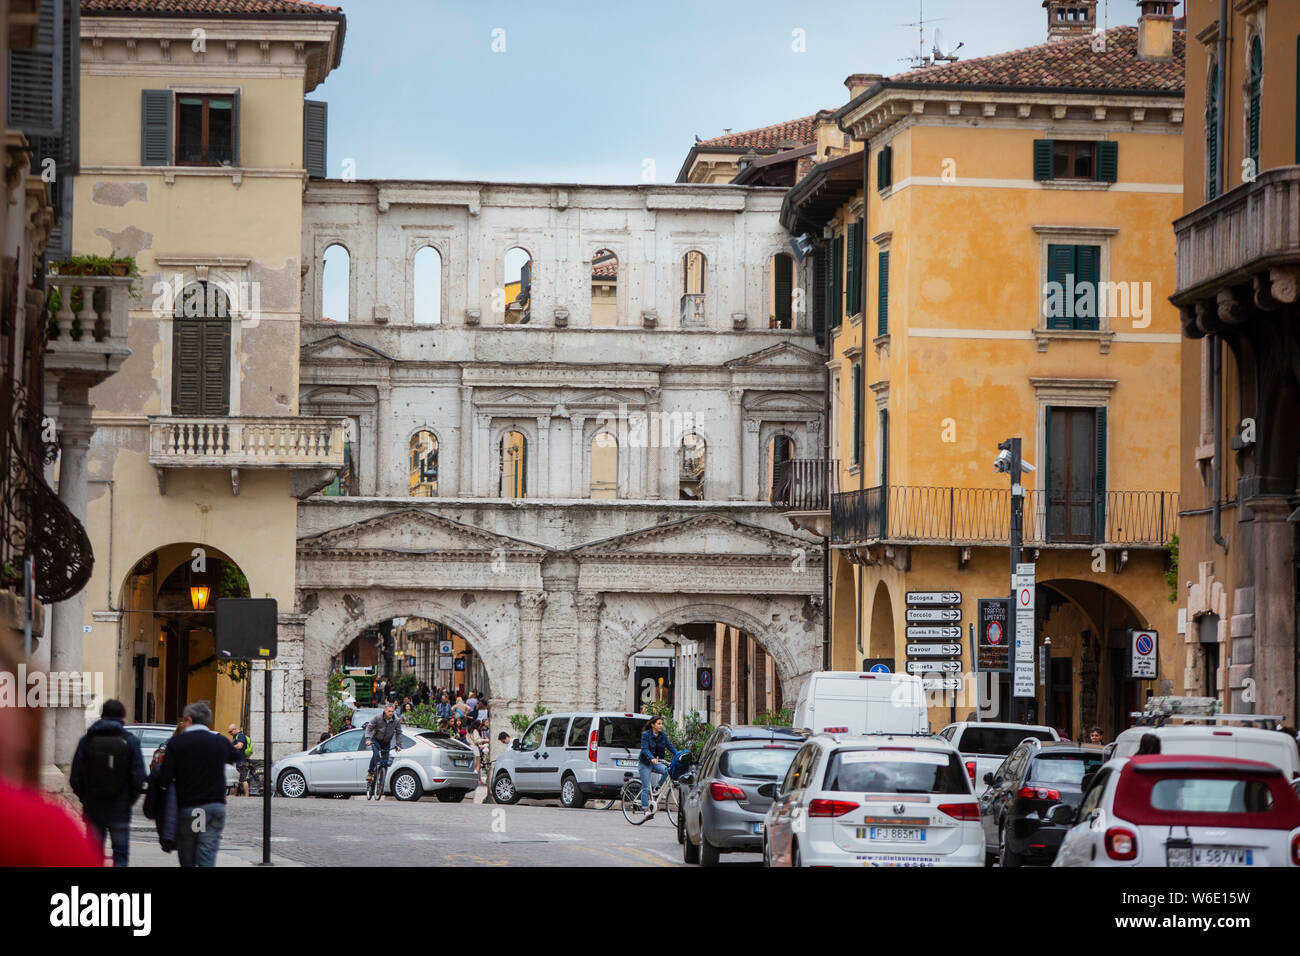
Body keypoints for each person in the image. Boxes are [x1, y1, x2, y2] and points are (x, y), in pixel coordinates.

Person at [156, 701, 242, 867]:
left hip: (191, 807)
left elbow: (164, 776)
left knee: (188, 854)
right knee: (206, 853)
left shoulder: (177, 743)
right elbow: (236, 756)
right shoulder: (219, 741)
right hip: (214, 806)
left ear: (189, 720)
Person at [69, 698, 146, 867]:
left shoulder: (87, 740)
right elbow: (139, 778)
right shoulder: (130, 741)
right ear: (122, 716)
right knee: (120, 854)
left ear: (102, 715)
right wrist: (127, 800)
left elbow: (75, 776)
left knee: (93, 853)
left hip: (93, 808)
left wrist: (86, 798)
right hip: (120, 810)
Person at [638, 716, 677, 819]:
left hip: (655, 762)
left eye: (661, 723)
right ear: (653, 725)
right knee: (646, 787)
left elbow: (670, 746)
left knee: (667, 770)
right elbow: (644, 749)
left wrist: (679, 755)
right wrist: (651, 758)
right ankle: (645, 810)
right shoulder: (646, 735)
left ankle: (657, 788)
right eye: (659, 724)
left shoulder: (662, 735)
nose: (661, 726)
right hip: (645, 763)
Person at [364, 704, 403, 787]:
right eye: (389, 711)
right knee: (376, 755)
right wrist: (368, 739)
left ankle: (380, 780)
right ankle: (370, 772)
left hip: (386, 742)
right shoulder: (378, 718)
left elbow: (399, 733)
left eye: (392, 711)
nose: (391, 713)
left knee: (385, 763)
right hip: (376, 740)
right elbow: (369, 728)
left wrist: (398, 745)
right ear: (385, 711)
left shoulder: (396, 721)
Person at [227, 722, 251, 796]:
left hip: (240, 760)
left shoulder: (240, 736)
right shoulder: (236, 736)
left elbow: (240, 746)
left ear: (235, 729)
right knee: (237, 779)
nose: (230, 733)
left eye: (230, 732)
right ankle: (235, 795)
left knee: (243, 779)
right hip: (237, 761)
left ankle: (247, 796)